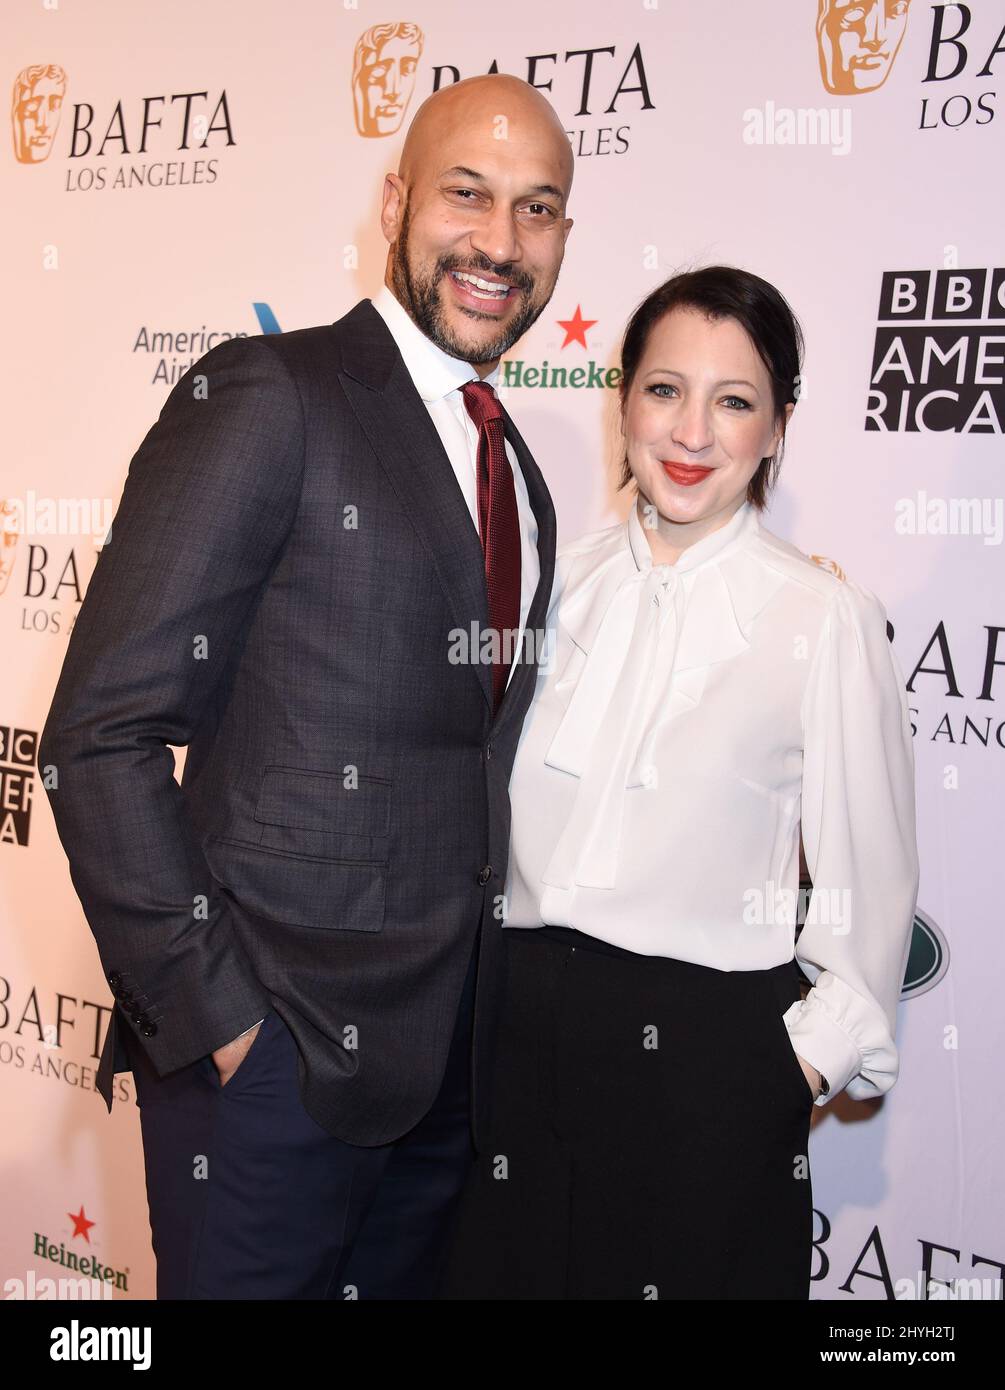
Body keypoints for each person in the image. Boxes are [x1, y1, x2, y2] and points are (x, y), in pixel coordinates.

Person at [37, 73, 574, 1299]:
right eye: (468, 195)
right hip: (272, 1072)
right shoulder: (272, 394)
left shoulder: (523, 474)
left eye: (538, 210)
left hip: (443, 1082)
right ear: (396, 202)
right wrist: (225, 1025)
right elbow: (102, 734)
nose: (500, 242)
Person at [441, 265, 920, 1300]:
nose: (692, 432)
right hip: (511, 1058)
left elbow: (868, 901)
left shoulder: (823, 618)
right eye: (665, 390)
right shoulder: (550, 583)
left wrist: (773, 1081)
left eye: (734, 401)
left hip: (708, 1079)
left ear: (778, 427)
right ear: (623, 403)